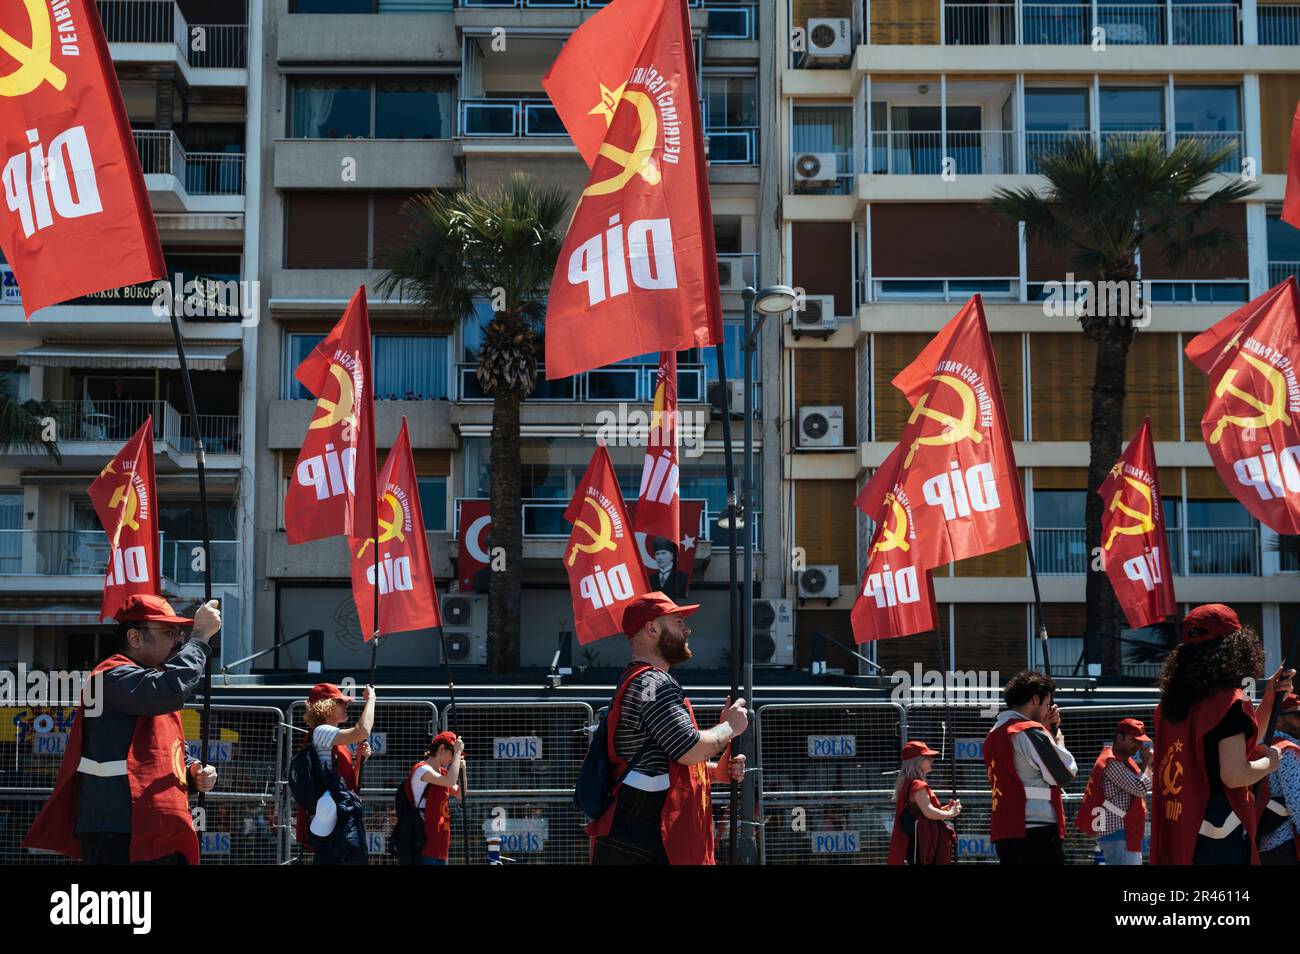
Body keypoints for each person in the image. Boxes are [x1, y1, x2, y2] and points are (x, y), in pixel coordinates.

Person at [23, 594, 222, 864]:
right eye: (168, 631)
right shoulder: (111, 676)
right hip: (119, 827)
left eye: (179, 632)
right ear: (135, 638)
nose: (177, 640)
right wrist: (198, 638)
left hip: (151, 824)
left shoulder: (146, 680)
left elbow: (163, 749)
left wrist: (192, 769)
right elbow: (170, 690)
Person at [589, 591, 748, 865]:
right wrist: (729, 728)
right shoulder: (652, 683)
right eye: (677, 622)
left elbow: (658, 762)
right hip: (645, 839)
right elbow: (688, 749)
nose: (687, 629)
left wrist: (711, 773)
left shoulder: (644, 681)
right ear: (652, 628)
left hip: (636, 836)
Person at [1150, 603, 1293, 865]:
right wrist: (1270, 762)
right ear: (1236, 646)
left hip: (1179, 825)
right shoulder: (1229, 702)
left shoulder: (1171, 704)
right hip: (1219, 834)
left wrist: (1270, 697)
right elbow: (1235, 775)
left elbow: (1242, 737)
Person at [983, 670, 1077, 865]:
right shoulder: (1029, 732)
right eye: (1046, 704)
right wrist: (1058, 741)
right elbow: (1065, 774)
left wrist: (1043, 729)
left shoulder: (994, 733)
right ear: (1035, 699)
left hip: (1006, 828)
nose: (1047, 710)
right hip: (1037, 829)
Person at [298, 681, 374, 864]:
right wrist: (371, 700)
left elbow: (350, 785)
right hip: (334, 823)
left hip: (342, 819)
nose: (346, 705)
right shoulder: (321, 732)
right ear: (327, 706)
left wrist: (358, 761)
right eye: (341, 702)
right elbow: (362, 730)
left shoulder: (335, 740)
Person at [1076, 717, 1153, 865]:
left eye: (1139, 741)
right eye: (1133, 740)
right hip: (1118, 831)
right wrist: (1149, 763)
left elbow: (1145, 784)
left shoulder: (1122, 759)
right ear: (1119, 737)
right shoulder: (1111, 761)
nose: (1137, 745)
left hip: (1122, 830)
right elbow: (1140, 788)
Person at [887, 740, 959, 865]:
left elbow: (921, 811)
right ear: (917, 761)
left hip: (917, 841)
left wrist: (945, 809)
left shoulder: (909, 782)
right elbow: (929, 812)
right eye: (927, 757)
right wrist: (950, 813)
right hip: (922, 843)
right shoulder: (918, 784)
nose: (931, 760)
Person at [408, 730, 464, 865]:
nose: (453, 758)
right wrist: (457, 753)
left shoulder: (443, 773)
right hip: (426, 836)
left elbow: (460, 794)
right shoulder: (422, 769)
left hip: (441, 836)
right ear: (442, 749)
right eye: (452, 753)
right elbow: (450, 781)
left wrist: (463, 770)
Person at [1257, 692, 1300, 865]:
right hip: (1285, 845)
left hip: (1265, 843)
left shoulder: (1262, 742)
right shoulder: (1285, 750)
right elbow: (1298, 802)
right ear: (1279, 720)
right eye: (1297, 715)